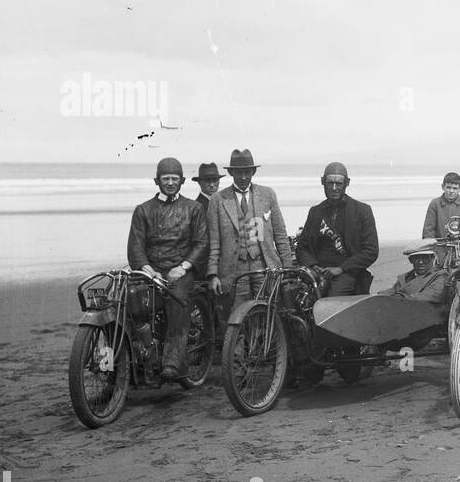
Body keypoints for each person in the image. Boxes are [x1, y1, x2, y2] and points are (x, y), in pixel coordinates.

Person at [126, 158, 208, 381]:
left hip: (181, 270)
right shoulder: (143, 210)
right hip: (149, 270)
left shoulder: (194, 208)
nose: (170, 183)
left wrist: (183, 267)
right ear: (157, 181)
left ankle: (172, 363)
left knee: (176, 300)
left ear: (181, 181)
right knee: (128, 301)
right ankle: (135, 357)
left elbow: (201, 243)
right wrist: (146, 268)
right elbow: (135, 245)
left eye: (174, 179)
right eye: (165, 179)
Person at [207, 149, 293, 310]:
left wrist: (287, 268)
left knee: (270, 313)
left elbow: (280, 234)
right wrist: (213, 275)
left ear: (253, 171)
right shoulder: (217, 200)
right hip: (234, 271)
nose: (243, 177)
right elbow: (214, 242)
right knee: (237, 318)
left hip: (265, 267)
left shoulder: (268, 195)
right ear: (231, 173)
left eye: (247, 172)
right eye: (239, 173)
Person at [297, 162, 379, 297]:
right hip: (317, 272)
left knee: (332, 302)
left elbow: (371, 251)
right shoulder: (315, 211)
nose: (334, 188)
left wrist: (341, 269)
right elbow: (302, 247)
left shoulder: (362, 211)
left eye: (339, 183)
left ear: (347, 183)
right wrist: (313, 266)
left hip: (348, 273)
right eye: (330, 183)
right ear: (323, 182)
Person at [382, 240, 450, 302]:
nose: (421, 262)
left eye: (425, 258)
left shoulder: (440, 276)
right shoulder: (406, 277)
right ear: (411, 260)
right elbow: (391, 291)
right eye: (416, 258)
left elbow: (429, 296)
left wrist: (399, 298)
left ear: (432, 258)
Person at [422, 172, 460, 238]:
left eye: (455, 188)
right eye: (448, 187)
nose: (451, 191)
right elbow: (428, 231)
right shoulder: (435, 203)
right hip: (439, 245)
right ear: (443, 187)